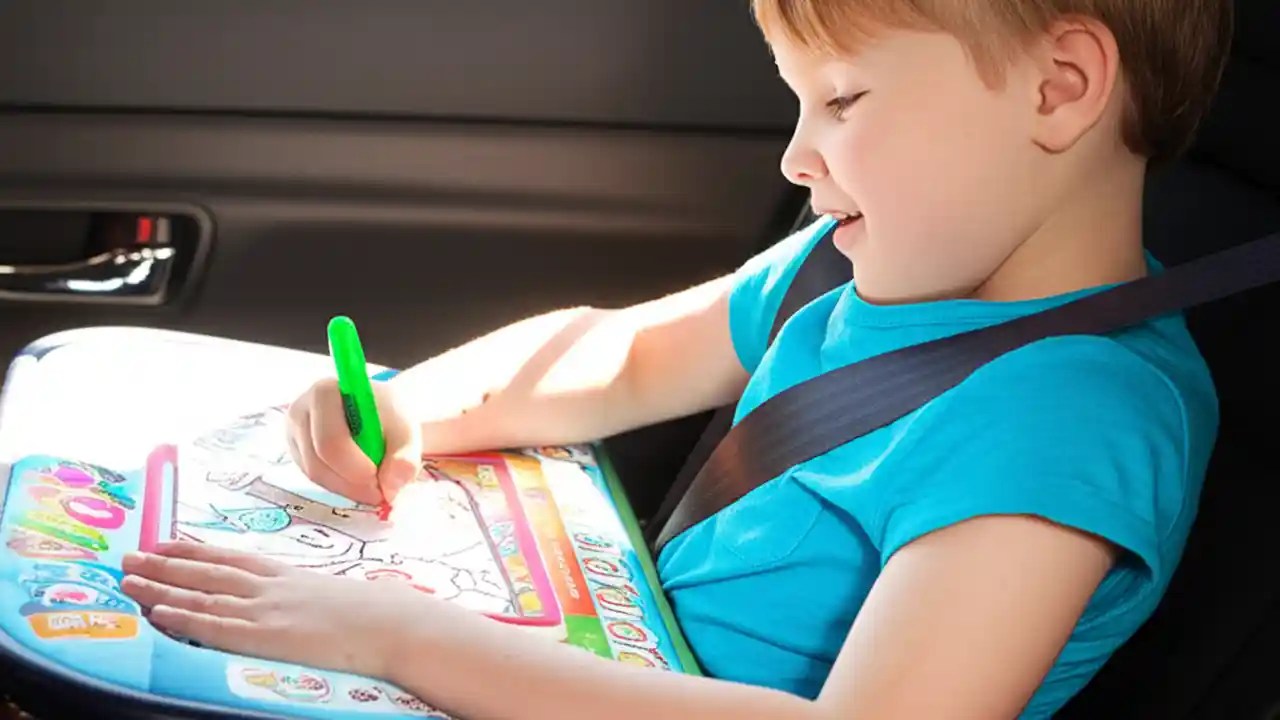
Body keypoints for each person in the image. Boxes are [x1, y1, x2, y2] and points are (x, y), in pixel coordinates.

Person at [119, 0, 1234, 717]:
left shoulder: (1069, 419)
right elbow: (613, 356)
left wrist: (405, 637)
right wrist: (410, 410)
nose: (799, 156)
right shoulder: (837, 268)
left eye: (842, 100)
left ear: (1059, 88)